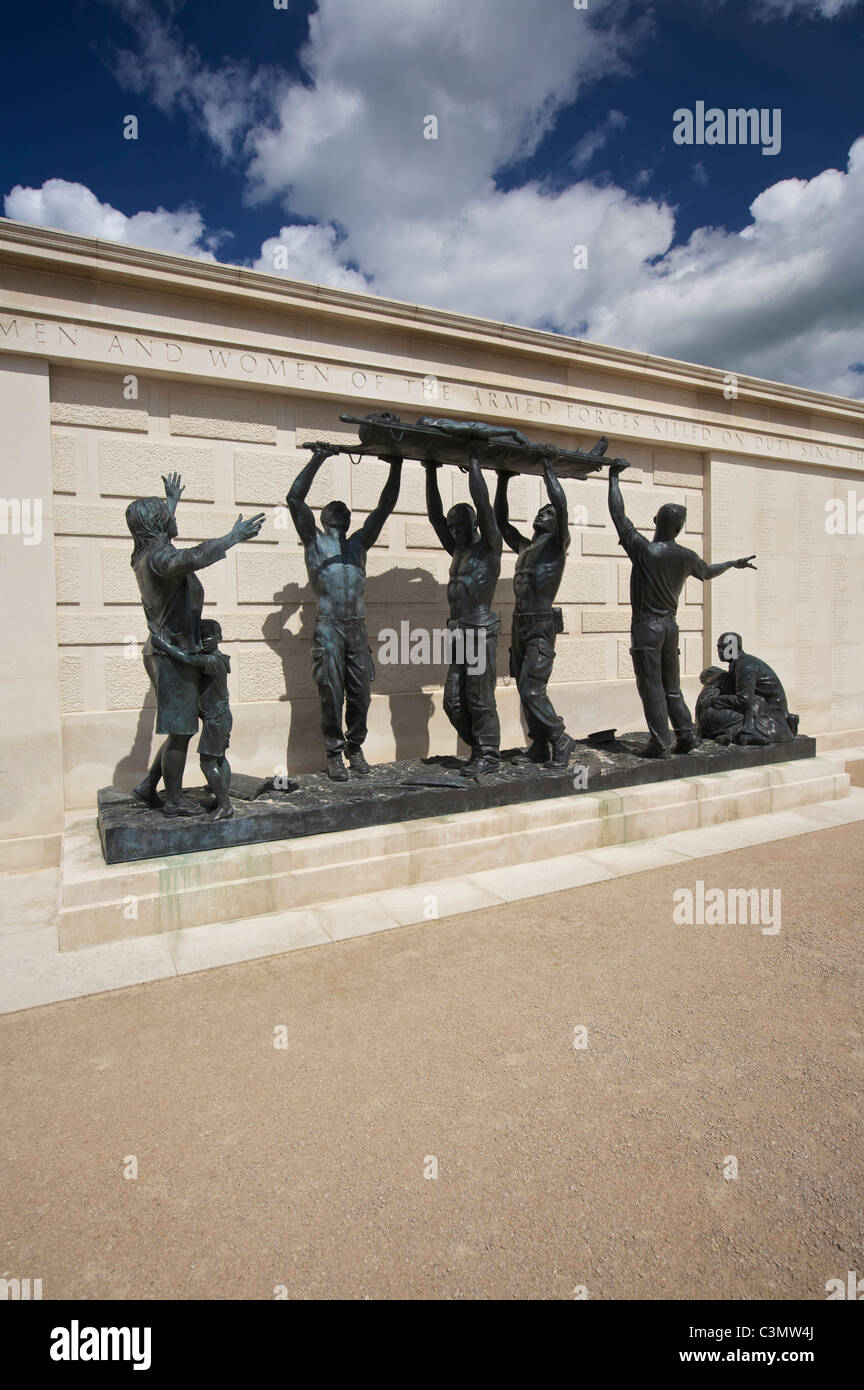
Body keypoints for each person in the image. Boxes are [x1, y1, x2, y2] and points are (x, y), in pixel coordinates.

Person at [126, 472, 263, 814]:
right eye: (167, 516)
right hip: (173, 655)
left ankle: (147, 786)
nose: (173, 519)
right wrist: (232, 537)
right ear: (157, 525)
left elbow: (167, 537)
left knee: (179, 728)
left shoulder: (146, 552)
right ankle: (172, 801)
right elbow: (192, 557)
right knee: (182, 730)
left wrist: (169, 501)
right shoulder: (160, 560)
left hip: (170, 651)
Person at [608, 460, 756, 758]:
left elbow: (618, 515)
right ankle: (686, 737)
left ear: (655, 521)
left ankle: (661, 743)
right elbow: (708, 572)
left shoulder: (645, 550)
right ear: (678, 528)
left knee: (651, 687)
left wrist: (613, 478)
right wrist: (733, 563)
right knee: (672, 687)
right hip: (670, 628)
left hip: (648, 628)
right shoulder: (686, 556)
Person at [287, 444, 402, 781]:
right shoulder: (314, 541)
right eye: (333, 506)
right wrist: (319, 457)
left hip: (356, 629)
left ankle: (356, 745)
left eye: (344, 507)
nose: (340, 507)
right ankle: (334, 753)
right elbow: (294, 499)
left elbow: (386, 506)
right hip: (328, 627)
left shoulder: (358, 544)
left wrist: (395, 464)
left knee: (361, 695)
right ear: (323, 517)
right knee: (331, 693)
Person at [425, 451, 502, 775]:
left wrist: (474, 464)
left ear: (474, 524)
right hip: (458, 631)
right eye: (452, 526)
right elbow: (433, 516)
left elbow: (484, 504)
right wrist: (430, 468)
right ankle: (482, 750)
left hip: (480, 629)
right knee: (452, 701)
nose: (454, 531)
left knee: (479, 696)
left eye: (460, 525)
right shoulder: (457, 549)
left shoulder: (490, 546)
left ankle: (488, 753)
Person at [495, 462, 574, 766]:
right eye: (541, 511)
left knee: (532, 687)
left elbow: (561, 504)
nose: (543, 514)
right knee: (521, 686)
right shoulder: (525, 547)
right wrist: (503, 478)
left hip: (541, 623)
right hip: (520, 624)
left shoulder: (557, 545)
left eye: (548, 513)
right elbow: (501, 522)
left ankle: (561, 738)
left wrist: (547, 469)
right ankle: (539, 744)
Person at [151, 620, 234, 818]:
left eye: (209, 636)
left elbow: (187, 660)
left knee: (208, 762)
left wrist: (163, 645)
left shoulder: (215, 661)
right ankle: (221, 799)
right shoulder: (215, 658)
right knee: (219, 759)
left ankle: (225, 805)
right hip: (218, 718)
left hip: (216, 720)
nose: (204, 640)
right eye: (201, 636)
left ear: (219, 638)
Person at [697, 632, 797, 745]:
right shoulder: (737, 664)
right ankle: (732, 734)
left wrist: (713, 700)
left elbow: (743, 700)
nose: (719, 651)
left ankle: (740, 734)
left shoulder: (745, 666)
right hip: (754, 710)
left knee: (710, 716)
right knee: (709, 715)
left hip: (769, 714)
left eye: (724, 647)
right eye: (718, 647)